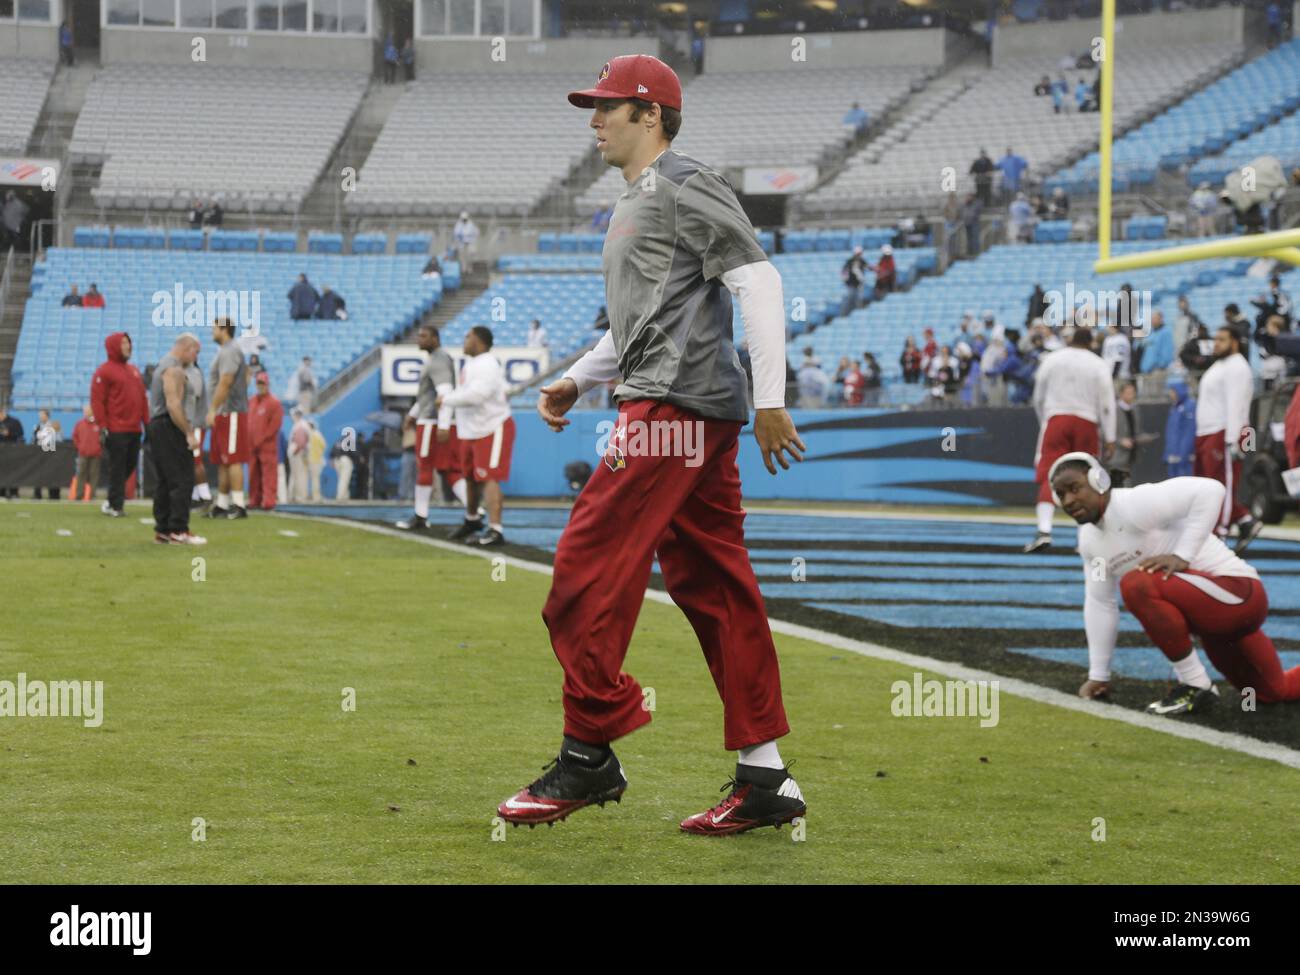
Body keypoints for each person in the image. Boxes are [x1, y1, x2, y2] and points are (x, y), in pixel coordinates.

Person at [499, 55, 807, 836]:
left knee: (583, 567)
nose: (593, 120)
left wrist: (771, 399)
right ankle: (766, 776)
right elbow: (645, 321)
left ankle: (589, 748)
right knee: (716, 587)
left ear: (650, 114)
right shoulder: (636, 201)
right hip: (675, 406)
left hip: (673, 414)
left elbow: (758, 281)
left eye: (606, 107)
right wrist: (578, 376)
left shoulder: (684, 183)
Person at [1053, 453, 1300, 714]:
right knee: (1275, 691)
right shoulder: (1091, 542)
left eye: (1075, 488)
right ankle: (1200, 684)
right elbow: (1101, 603)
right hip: (1216, 628)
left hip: (1238, 595)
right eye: (1061, 494)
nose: (1069, 500)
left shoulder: (1132, 504)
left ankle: (1194, 683)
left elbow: (1210, 490)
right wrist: (1098, 674)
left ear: (1098, 480)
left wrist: (1183, 555)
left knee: (1136, 584)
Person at [1025, 328, 1116, 553]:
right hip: (1087, 421)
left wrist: (1046, 420)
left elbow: (1038, 396)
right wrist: (1111, 435)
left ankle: (1044, 530)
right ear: (1091, 342)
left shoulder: (1052, 359)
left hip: (1057, 418)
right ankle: (1084, 538)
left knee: (1050, 473)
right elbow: (1106, 404)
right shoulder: (1098, 364)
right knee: (1087, 478)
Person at [438, 325, 512, 546]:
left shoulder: (487, 363)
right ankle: (472, 520)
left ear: (478, 340)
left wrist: (446, 400)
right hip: (471, 429)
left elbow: (477, 396)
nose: (464, 340)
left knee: (488, 477)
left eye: (467, 336)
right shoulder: (473, 364)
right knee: (470, 477)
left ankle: (496, 529)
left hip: (491, 427)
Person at [1195, 325, 1259, 552]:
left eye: (1222, 339)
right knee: (1207, 486)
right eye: (1215, 339)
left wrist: (1234, 439)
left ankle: (1219, 536)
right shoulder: (1219, 365)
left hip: (1224, 432)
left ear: (1235, 342)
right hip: (1208, 432)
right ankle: (1245, 521)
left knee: (1221, 487)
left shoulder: (1237, 366)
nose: (1216, 343)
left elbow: (1237, 405)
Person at [397, 325, 467, 531]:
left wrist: (443, 424)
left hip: (433, 423)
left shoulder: (438, 359)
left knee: (425, 467)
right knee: (449, 470)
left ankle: (420, 515)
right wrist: (412, 414)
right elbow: (427, 397)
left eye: (424, 336)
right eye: (418, 335)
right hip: (438, 420)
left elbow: (444, 392)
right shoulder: (437, 359)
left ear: (436, 339)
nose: (419, 339)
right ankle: (474, 512)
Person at [147, 334, 207, 545]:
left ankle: (163, 529)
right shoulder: (172, 368)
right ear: (186, 348)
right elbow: (173, 404)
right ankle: (178, 529)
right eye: (196, 351)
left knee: (165, 480)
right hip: (169, 425)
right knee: (182, 478)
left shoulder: (164, 364)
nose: (196, 357)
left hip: (158, 424)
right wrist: (188, 432)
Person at [91, 332, 149, 517]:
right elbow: (97, 401)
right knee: (117, 467)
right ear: (114, 346)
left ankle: (111, 500)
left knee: (129, 466)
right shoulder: (104, 371)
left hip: (134, 429)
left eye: (129, 342)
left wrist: (147, 423)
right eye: (123, 343)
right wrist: (103, 426)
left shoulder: (134, 370)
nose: (128, 346)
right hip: (115, 430)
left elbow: (142, 399)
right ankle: (116, 506)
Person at [203, 318, 251, 519]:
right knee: (223, 460)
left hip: (230, 411)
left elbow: (226, 381)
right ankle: (222, 503)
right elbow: (246, 375)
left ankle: (239, 504)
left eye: (215, 328)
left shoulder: (230, 350)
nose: (212, 331)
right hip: (226, 411)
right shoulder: (226, 351)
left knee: (233, 459)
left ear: (224, 330)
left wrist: (213, 408)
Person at [247, 372, 282, 511]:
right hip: (252, 446)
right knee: (253, 475)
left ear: (268, 385)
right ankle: (254, 499)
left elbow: (275, 425)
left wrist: (261, 439)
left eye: (263, 383)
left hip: (267, 446)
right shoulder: (252, 401)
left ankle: (269, 501)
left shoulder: (274, 402)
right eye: (259, 383)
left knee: (269, 475)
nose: (261, 386)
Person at [184, 350, 212, 509]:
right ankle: (195, 496)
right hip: (194, 423)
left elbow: (193, 395)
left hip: (195, 423)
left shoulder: (193, 373)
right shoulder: (193, 372)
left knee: (196, 459)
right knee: (191, 459)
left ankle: (206, 495)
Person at [69, 405, 102, 502]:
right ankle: (79, 495)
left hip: (96, 454)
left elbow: (103, 438)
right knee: (81, 475)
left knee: (94, 476)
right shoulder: (79, 424)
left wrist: (99, 448)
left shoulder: (98, 424)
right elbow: (75, 436)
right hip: (83, 454)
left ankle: (92, 496)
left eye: (88, 410)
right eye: (85, 411)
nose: (86, 412)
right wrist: (79, 447)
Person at [1165, 378, 1196, 478]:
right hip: (1173, 456)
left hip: (1184, 458)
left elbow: (1189, 432)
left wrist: (1183, 455)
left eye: (1173, 390)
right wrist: (1168, 454)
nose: (1170, 393)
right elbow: (1171, 432)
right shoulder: (1174, 407)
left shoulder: (1190, 406)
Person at [287, 410, 310, 502]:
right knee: (297, 475)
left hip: (298, 453)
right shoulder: (300, 425)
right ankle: (295, 496)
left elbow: (301, 442)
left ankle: (300, 497)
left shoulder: (300, 425)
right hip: (298, 453)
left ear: (297, 415)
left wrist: (296, 451)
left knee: (299, 475)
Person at [840, 246, 867, 316]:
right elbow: (844, 271)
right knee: (849, 300)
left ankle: (857, 315)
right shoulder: (850, 261)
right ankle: (845, 314)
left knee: (858, 300)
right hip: (851, 284)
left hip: (859, 284)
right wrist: (845, 279)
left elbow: (867, 267)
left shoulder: (862, 261)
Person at [307, 420, 326, 500]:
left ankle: (316, 496)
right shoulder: (317, 435)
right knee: (315, 479)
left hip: (314, 460)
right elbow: (324, 445)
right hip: (316, 460)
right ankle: (315, 496)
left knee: (314, 479)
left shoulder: (313, 435)